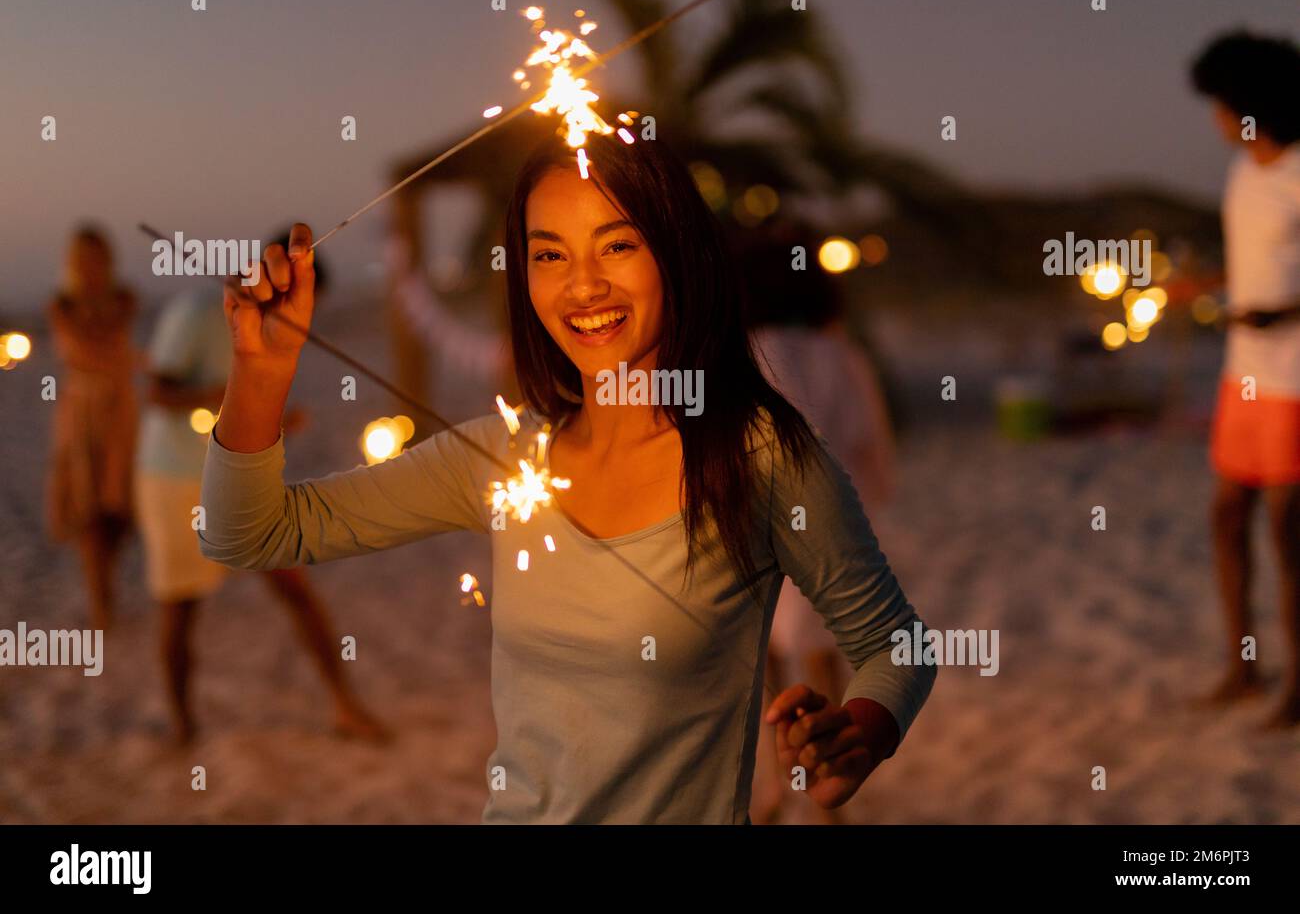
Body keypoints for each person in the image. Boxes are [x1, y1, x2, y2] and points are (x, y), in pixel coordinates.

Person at [199, 134, 936, 823]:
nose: (583, 286)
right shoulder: (501, 457)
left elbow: (895, 644)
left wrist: (858, 735)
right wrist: (260, 373)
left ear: (677, 254)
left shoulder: (758, 456)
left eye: (616, 244)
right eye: (549, 255)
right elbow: (248, 533)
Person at [135, 237, 383, 744]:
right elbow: (158, 393)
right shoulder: (197, 311)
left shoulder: (279, 327)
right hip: (177, 478)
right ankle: (183, 726)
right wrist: (234, 397)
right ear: (272, 273)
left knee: (296, 589)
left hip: (240, 472)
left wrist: (272, 415)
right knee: (182, 609)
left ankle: (345, 706)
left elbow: (250, 403)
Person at [745, 229, 898, 822]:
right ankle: (819, 793)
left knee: (771, 661)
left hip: (770, 521)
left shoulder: (755, 347)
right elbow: (869, 439)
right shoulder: (840, 351)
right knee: (818, 659)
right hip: (836, 524)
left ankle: (783, 789)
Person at [1192, 31, 1300, 727]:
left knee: (1290, 533)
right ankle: (1243, 663)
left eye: (1221, 103)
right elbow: (1256, 266)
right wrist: (1200, 289)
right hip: (1246, 377)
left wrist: (1280, 312)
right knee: (1227, 517)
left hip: (1298, 380)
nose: (1215, 118)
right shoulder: (1244, 174)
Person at [46, 226, 138, 631]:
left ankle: (108, 583)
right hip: (81, 413)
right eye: (81, 258)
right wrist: (132, 361)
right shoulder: (62, 305)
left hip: (120, 413)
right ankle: (100, 597)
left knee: (118, 507)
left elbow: (110, 351)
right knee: (87, 509)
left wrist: (127, 362)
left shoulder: (124, 299)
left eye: (95, 256)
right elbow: (84, 351)